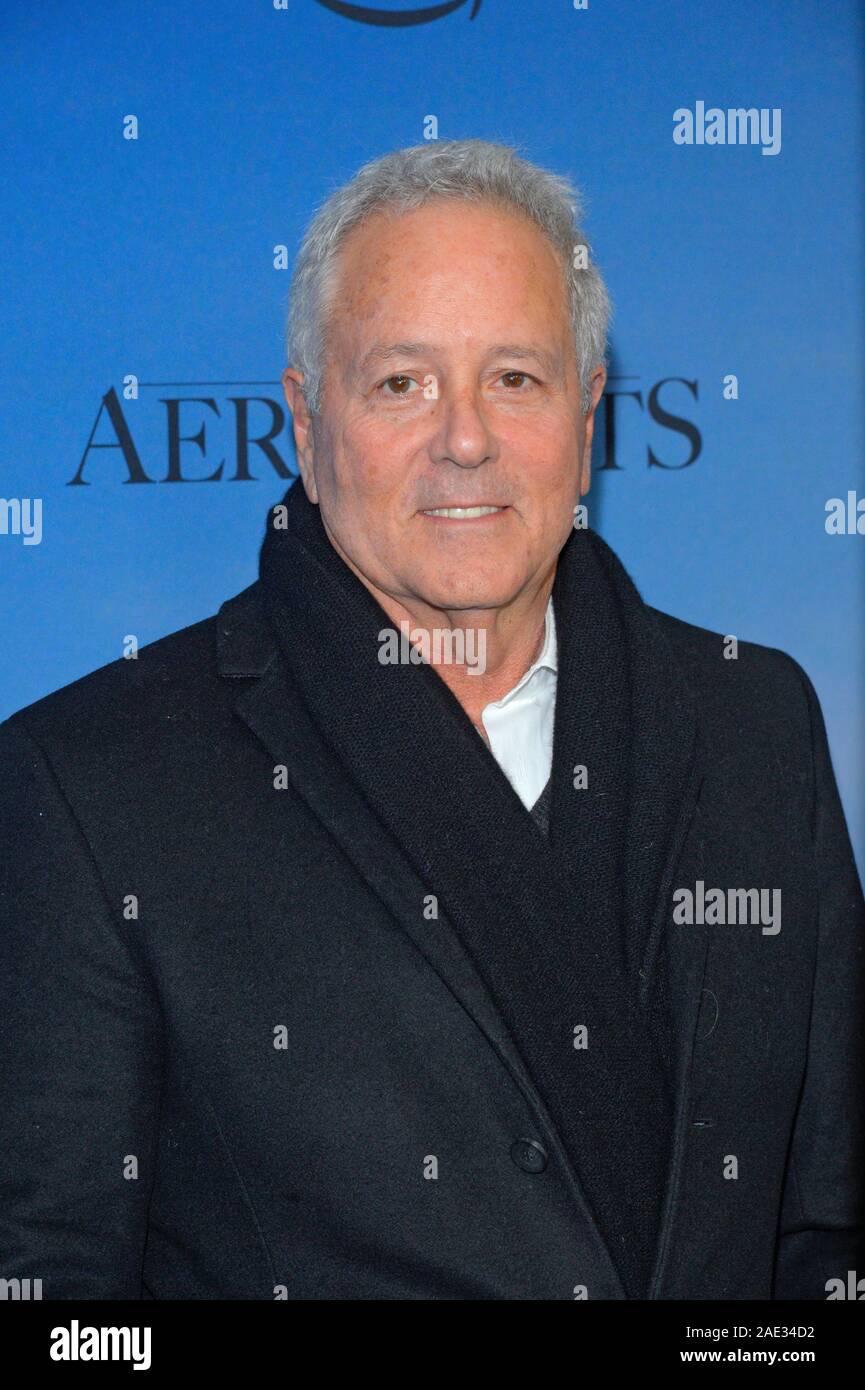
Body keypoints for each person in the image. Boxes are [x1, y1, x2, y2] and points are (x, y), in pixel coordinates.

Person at [1, 139, 862, 1300]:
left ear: (589, 413)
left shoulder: (757, 723)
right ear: (306, 427)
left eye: (516, 376)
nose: (466, 438)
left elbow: (826, 1232)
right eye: (401, 382)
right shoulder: (92, 782)